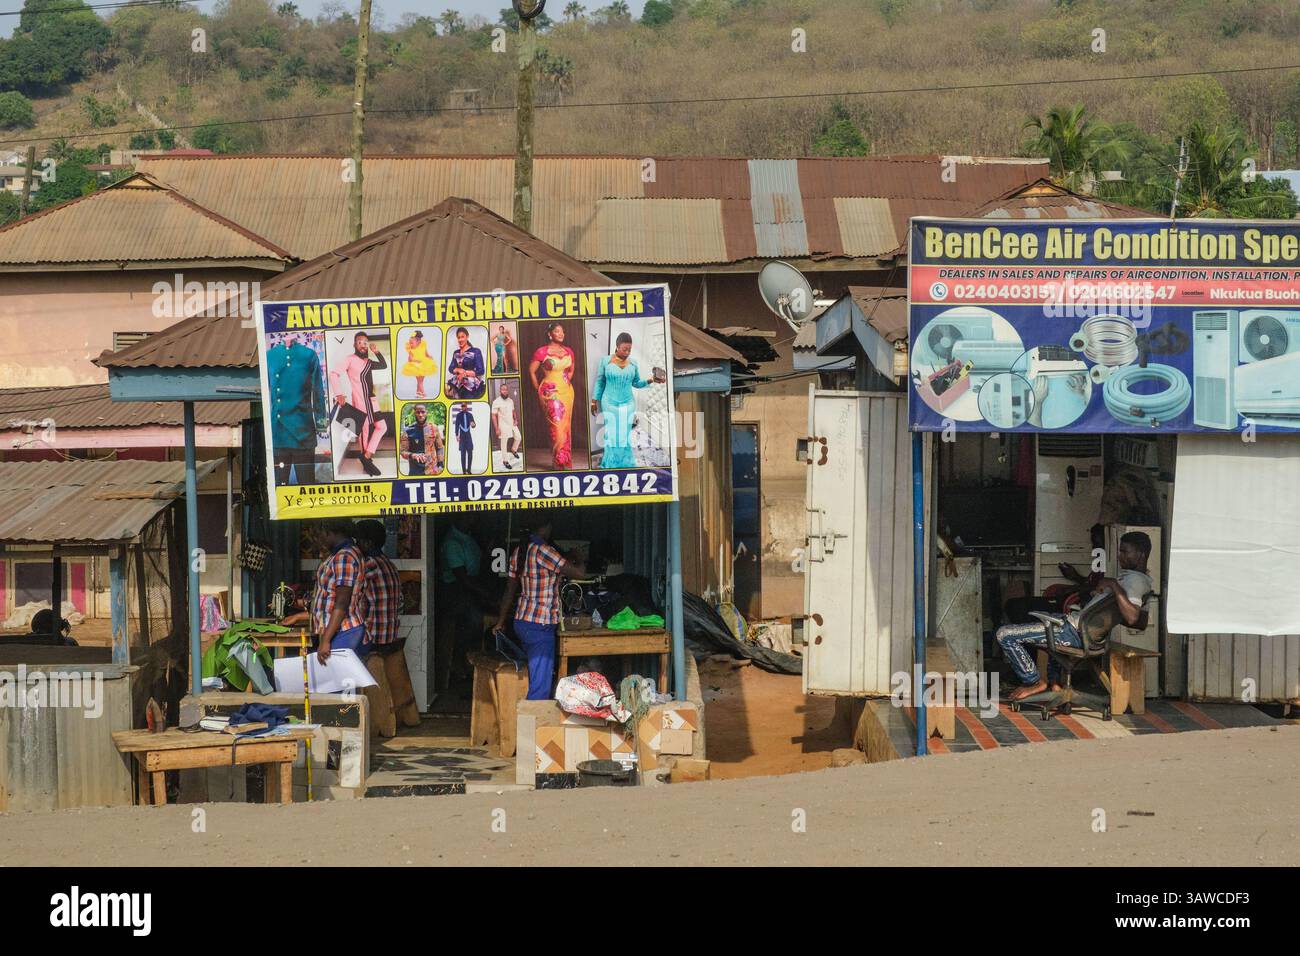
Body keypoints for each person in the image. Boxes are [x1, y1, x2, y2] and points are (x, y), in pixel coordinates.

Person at [997, 531, 1153, 701]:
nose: (1119, 556)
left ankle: (1033, 681)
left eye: (1125, 552)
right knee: (1041, 618)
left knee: (1004, 634)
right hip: (1077, 629)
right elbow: (1135, 618)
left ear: (1141, 554)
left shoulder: (1136, 581)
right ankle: (1055, 683)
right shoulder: (1134, 579)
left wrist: (1113, 585)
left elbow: (1132, 617)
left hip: (1072, 632)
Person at [494, 514, 586, 700]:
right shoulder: (544, 551)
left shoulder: (520, 551)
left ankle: (529, 721)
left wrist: (501, 621)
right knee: (540, 688)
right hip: (539, 625)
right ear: (545, 528)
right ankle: (531, 726)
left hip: (522, 622)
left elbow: (509, 590)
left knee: (536, 677)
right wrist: (580, 557)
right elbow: (579, 573)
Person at [355, 519, 420, 729]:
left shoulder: (370, 565)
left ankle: (363, 720)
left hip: (375, 636)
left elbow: (352, 596)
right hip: (389, 634)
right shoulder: (387, 563)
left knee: (338, 653)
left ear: (365, 543)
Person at [590, 332, 667, 469]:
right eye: (624, 349)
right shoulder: (605, 361)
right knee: (613, 434)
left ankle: (623, 463)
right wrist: (594, 401)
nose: (627, 352)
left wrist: (652, 379)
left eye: (629, 350)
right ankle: (611, 463)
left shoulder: (634, 363)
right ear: (617, 346)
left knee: (623, 435)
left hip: (628, 403)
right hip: (609, 402)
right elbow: (600, 382)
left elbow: (636, 383)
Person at [437, 513, 494, 688]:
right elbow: (463, 578)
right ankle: (462, 659)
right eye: (469, 517)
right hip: (454, 591)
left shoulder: (468, 537)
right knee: (474, 619)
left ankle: (479, 661)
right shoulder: (452, 542)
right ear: (457, 518)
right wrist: (487, 595)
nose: (473, 520)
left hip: (469, 588)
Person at [267, 334, 326, 485]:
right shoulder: (269, 356)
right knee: (279, 489)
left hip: (302, 433)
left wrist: (321, 424)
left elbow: (318, 391)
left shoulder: (309, 355)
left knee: (306, 487)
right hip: (279, 435)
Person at [330, 331, 388, 477]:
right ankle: (366, 462)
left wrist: (377, 352)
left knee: (382, 427)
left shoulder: (368, 362)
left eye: (365, 342)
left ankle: (366, 456)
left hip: (372, 400)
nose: (363, 345)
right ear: (354, 345)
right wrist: (339, 393)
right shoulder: (350, 359)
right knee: (364, 431)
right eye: (360, 342)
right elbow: (334, 374)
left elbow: (383, 365)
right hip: (360, 400)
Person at [312, 517, 370, 663]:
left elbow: (342, 603)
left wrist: (326, 640)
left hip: (344, 630)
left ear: (329, 532)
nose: (320, 540)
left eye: (320, 535)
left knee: (337, 682)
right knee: (343, 682)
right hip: (339, 630)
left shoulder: (345, 556)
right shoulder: (341, 554)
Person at [528, 322, 577, 469]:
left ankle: (565, 462)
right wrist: (539, 389)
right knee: (557, 428)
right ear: (550, 334)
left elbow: (571, 370)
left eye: (563, 331)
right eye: (557, 331)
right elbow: (531, 371)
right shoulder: (542, 352)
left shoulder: (569, 351)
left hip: (567, 393)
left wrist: (566, 382)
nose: (561, 334)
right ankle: (558, 463)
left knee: (566, 427)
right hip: (550, 393)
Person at [399, 403, 444, 476]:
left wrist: (441, 464)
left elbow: (440, 448)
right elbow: (403, 452)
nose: (420, 415)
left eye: (423, 412)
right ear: (414, 413)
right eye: (418, 412)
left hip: (432, 471)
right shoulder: (407, 431)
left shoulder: (434, 428)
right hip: (415, 472)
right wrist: (413, 455)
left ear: (427, 412)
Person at [446, 327, 486, 399]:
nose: (460, 339)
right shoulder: (456, 352)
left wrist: (465, 372)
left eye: (462, 337)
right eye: (458, 337)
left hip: (470, 387)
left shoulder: (476, 351)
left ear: (467, 337)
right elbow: (450, 368)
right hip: (456, 385)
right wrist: (458, 370)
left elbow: (481, 370)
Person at [491, 383, 522, 469]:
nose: (505, 391)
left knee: (518, 437)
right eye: (503, 389)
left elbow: (513, 411)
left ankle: (513, 450)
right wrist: (497, 428)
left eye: (506, 389)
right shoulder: (496, 402)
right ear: (500, 391)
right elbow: (493, 416)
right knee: (504, 444)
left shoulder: (510, 400)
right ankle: (505, 461)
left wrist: (515, 419)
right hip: (503, 425)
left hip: (512, 423)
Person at [401, 330, 438, 399]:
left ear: (418, 341)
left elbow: (426, 353)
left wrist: (429, 356)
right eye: (410, 343)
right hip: (416, 365)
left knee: (421, 381)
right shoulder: (411, 349)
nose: (410, 344)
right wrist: (416, 360)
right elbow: (410, 359)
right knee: (420, 381)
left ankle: (418, 393)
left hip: (424, 364)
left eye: (412, 343)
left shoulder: (423, 345)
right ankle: (423, 394)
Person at [452, 403, 476, 474]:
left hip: (468, 436)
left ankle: (469, 469)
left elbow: (473, 424)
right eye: (462, 406)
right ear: (461, 407)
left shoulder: (470, 415)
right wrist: (456, 435)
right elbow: (456, 425)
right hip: (462, 436)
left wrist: (473, 425)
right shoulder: (459, 415)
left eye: (464, 406)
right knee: (463, 454)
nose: (463, 407)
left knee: (470, 453)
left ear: (467, 406)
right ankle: (464, 471)